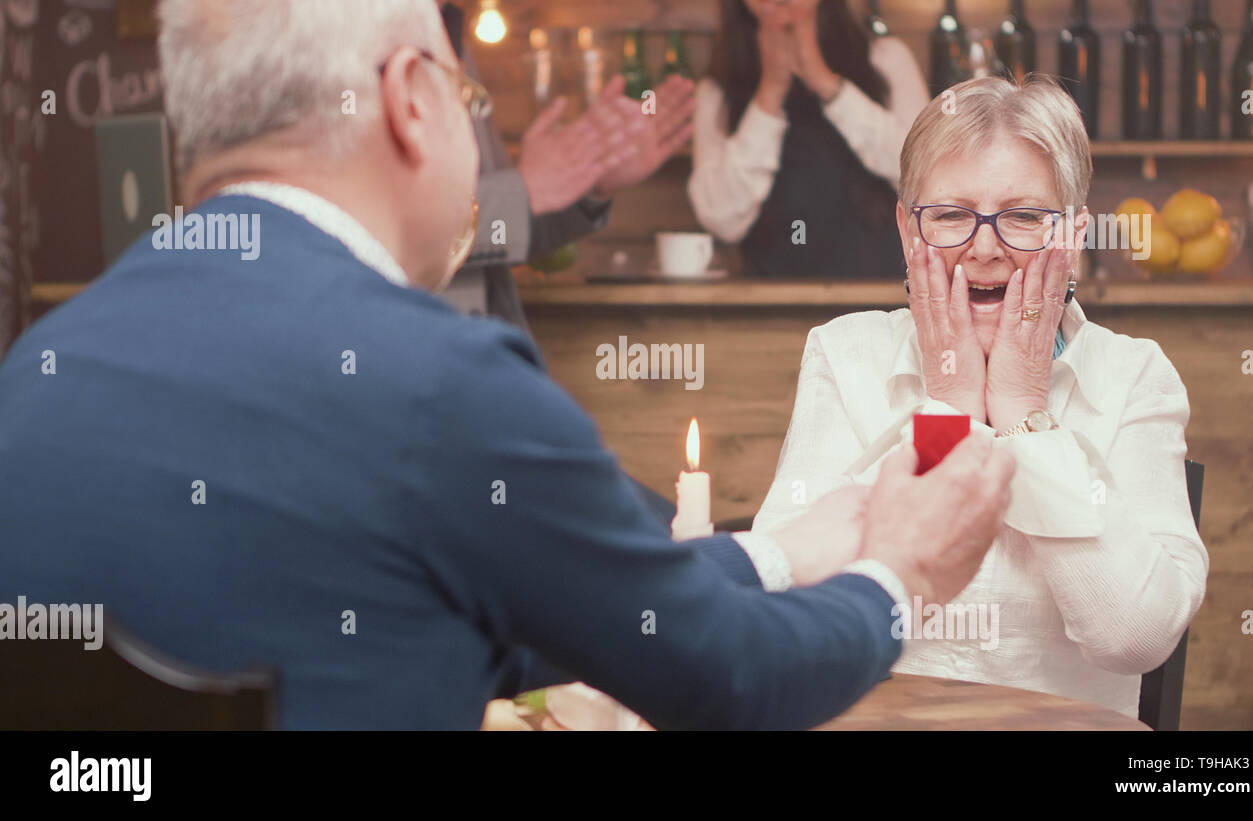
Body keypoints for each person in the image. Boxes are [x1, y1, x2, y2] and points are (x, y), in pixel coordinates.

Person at [0, 0, 1016, 730]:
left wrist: (779, 552)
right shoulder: (440, 380)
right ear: (408, 99)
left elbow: (509, 606)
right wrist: (903, 572)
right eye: (461, 89)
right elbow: (732, 684)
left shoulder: (35, 367)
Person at [751, 75, 1209, 717]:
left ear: (1075, 236)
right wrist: (950, 414)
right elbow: (782, 605)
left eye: (1024, 217)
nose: (986, 247)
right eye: (950, 216)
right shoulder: (843, 354)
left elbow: (1134, 637)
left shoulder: (1134, 375)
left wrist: (1025, 413)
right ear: (909, 231)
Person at [438, 2, 695, 335]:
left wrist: (589, 182)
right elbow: (371, 226)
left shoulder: (451, 41)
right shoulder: (360, 38)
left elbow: (500, 232)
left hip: (481, 356)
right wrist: (524, 191)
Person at [687, 0, 928, 279]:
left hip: (882, 301)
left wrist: (826, 83)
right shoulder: (717, 90)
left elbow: (923, 177)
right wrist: (771, 92)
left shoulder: (887, 58)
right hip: (766, 305)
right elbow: (722, 218)